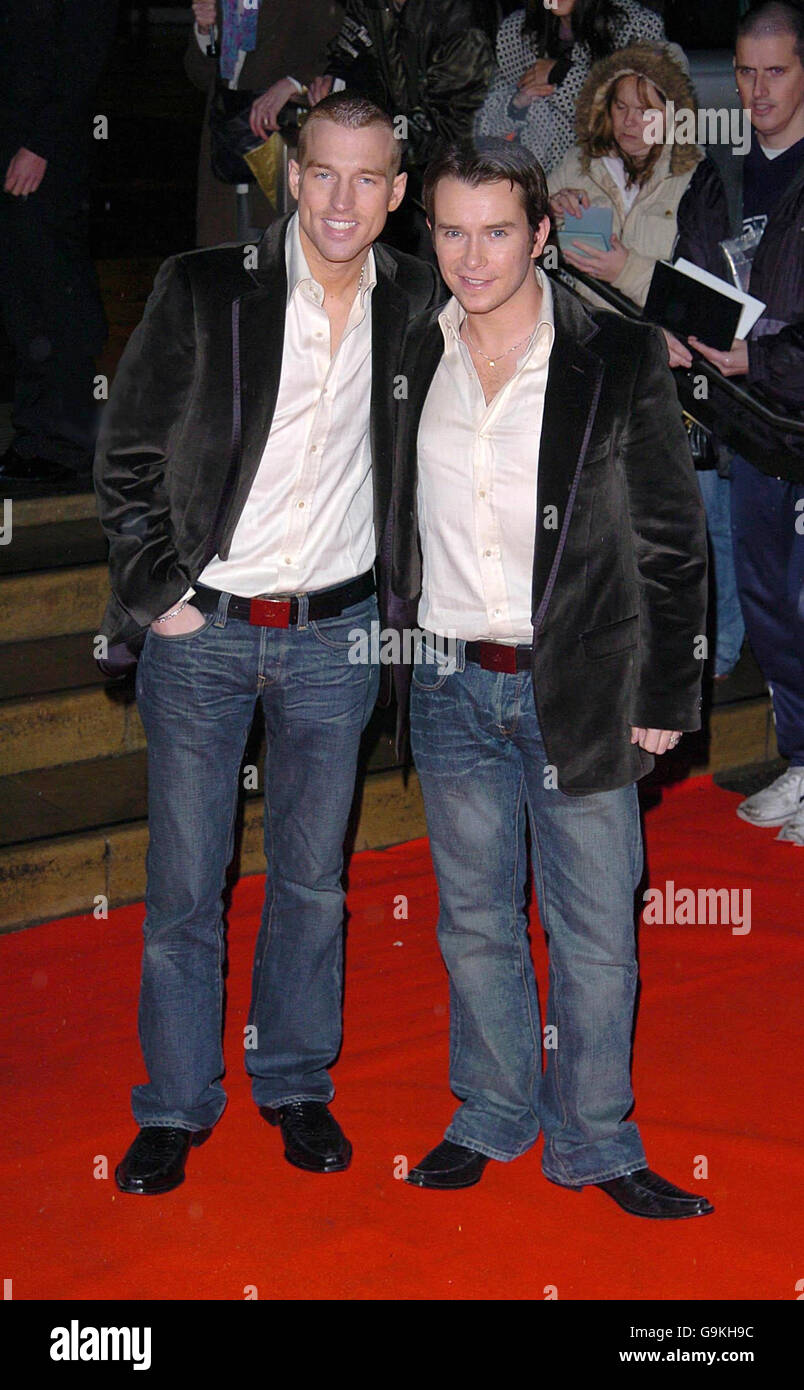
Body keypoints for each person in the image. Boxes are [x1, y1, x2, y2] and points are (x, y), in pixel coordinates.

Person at [94, 93, 439, 1196]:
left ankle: (294, 1080)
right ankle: (177, 1101)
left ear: (396, 191)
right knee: (188, 883)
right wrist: (164, 597)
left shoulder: (422, 305)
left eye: (367, 179)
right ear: (293, 175)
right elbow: (127, 457)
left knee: (313, 880)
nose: (343, 200)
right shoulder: (204, 289)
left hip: (337, 635)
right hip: (205, 635)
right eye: (323, 173)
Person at [391, 139, 713, 1218]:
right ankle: (489, 1109)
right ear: (427, 234)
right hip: (445, 681)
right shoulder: (410, 349)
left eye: (495, 232)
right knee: (474, 918)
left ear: (540, 235)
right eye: (450, 231)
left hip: (579, 684)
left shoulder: (617, 357)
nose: (472, 257)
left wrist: (667, 697)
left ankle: (595, 1138)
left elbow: (672, 543)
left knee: (594, 929)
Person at [547, 41, 745, 679]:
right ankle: (623, 653)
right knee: (608, 525)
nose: (633, 122)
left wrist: (621, 268)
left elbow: (709, 302)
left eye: (649, 108)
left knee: (699, 522)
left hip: (680, 386)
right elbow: (527, 262)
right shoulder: (570, 169)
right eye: (622, 107)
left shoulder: (699, 178)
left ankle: (719, 659)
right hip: (594, 378)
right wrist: (547, 214)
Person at [685, 1, 804, 842]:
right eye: (746, 71)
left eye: (777, 71)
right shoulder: (717, 176)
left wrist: (756, 360)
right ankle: (801, 758)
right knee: (768, 605)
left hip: (795, 416)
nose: (758, 90)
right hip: (751, 433)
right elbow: (693, 284)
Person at [0, 0, 117, 486]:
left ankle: (67, 440)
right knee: (23, 291)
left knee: (53, 287)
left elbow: (82, 55)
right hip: (16, 141)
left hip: (45, 152)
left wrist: (41, 145)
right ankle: (37, 435)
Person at [309, 0, 496, 258]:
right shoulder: (372, 6)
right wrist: (335, 77)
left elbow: (453, 124)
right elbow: (350, 46)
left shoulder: (459, 18)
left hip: (456, 170)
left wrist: (377, 145)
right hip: (400, 162)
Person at [185, 0, 343, 246]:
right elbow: (201, 77)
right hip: (226, 141)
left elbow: (336, 54)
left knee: (279, 246)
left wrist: (294, 83)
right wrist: (205, 31)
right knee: (225, 247)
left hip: (280, 139)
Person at [475, 0, 664, 175]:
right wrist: (515, 105)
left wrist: (562, 74)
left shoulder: (635, 28)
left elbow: (639, 116)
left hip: (608, 181)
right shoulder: (517, 33)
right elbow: (484, 128)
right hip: (535, 182)